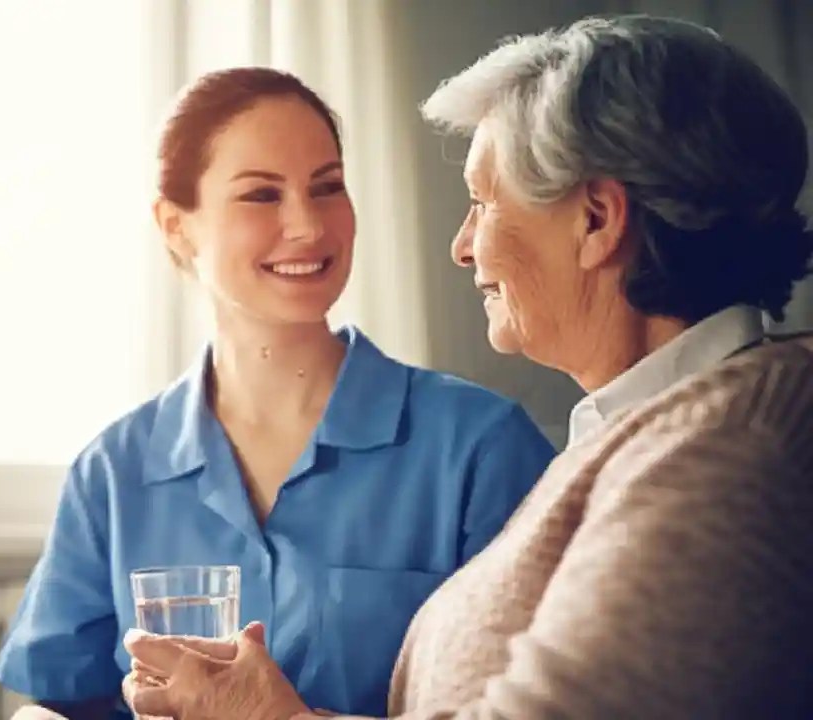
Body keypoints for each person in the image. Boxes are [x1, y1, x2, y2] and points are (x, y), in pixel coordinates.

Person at [122, 15, 813, 719]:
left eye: (483, 202)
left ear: (598, 220)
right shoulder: (646, 430)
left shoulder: (739, 440)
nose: (462, 246)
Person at [0, 67, 557, 718]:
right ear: (176, 225)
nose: (308, 226)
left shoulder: (480, 448)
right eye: (262, 195)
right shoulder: (112, 472)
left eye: (327, 188)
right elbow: (53, 703)